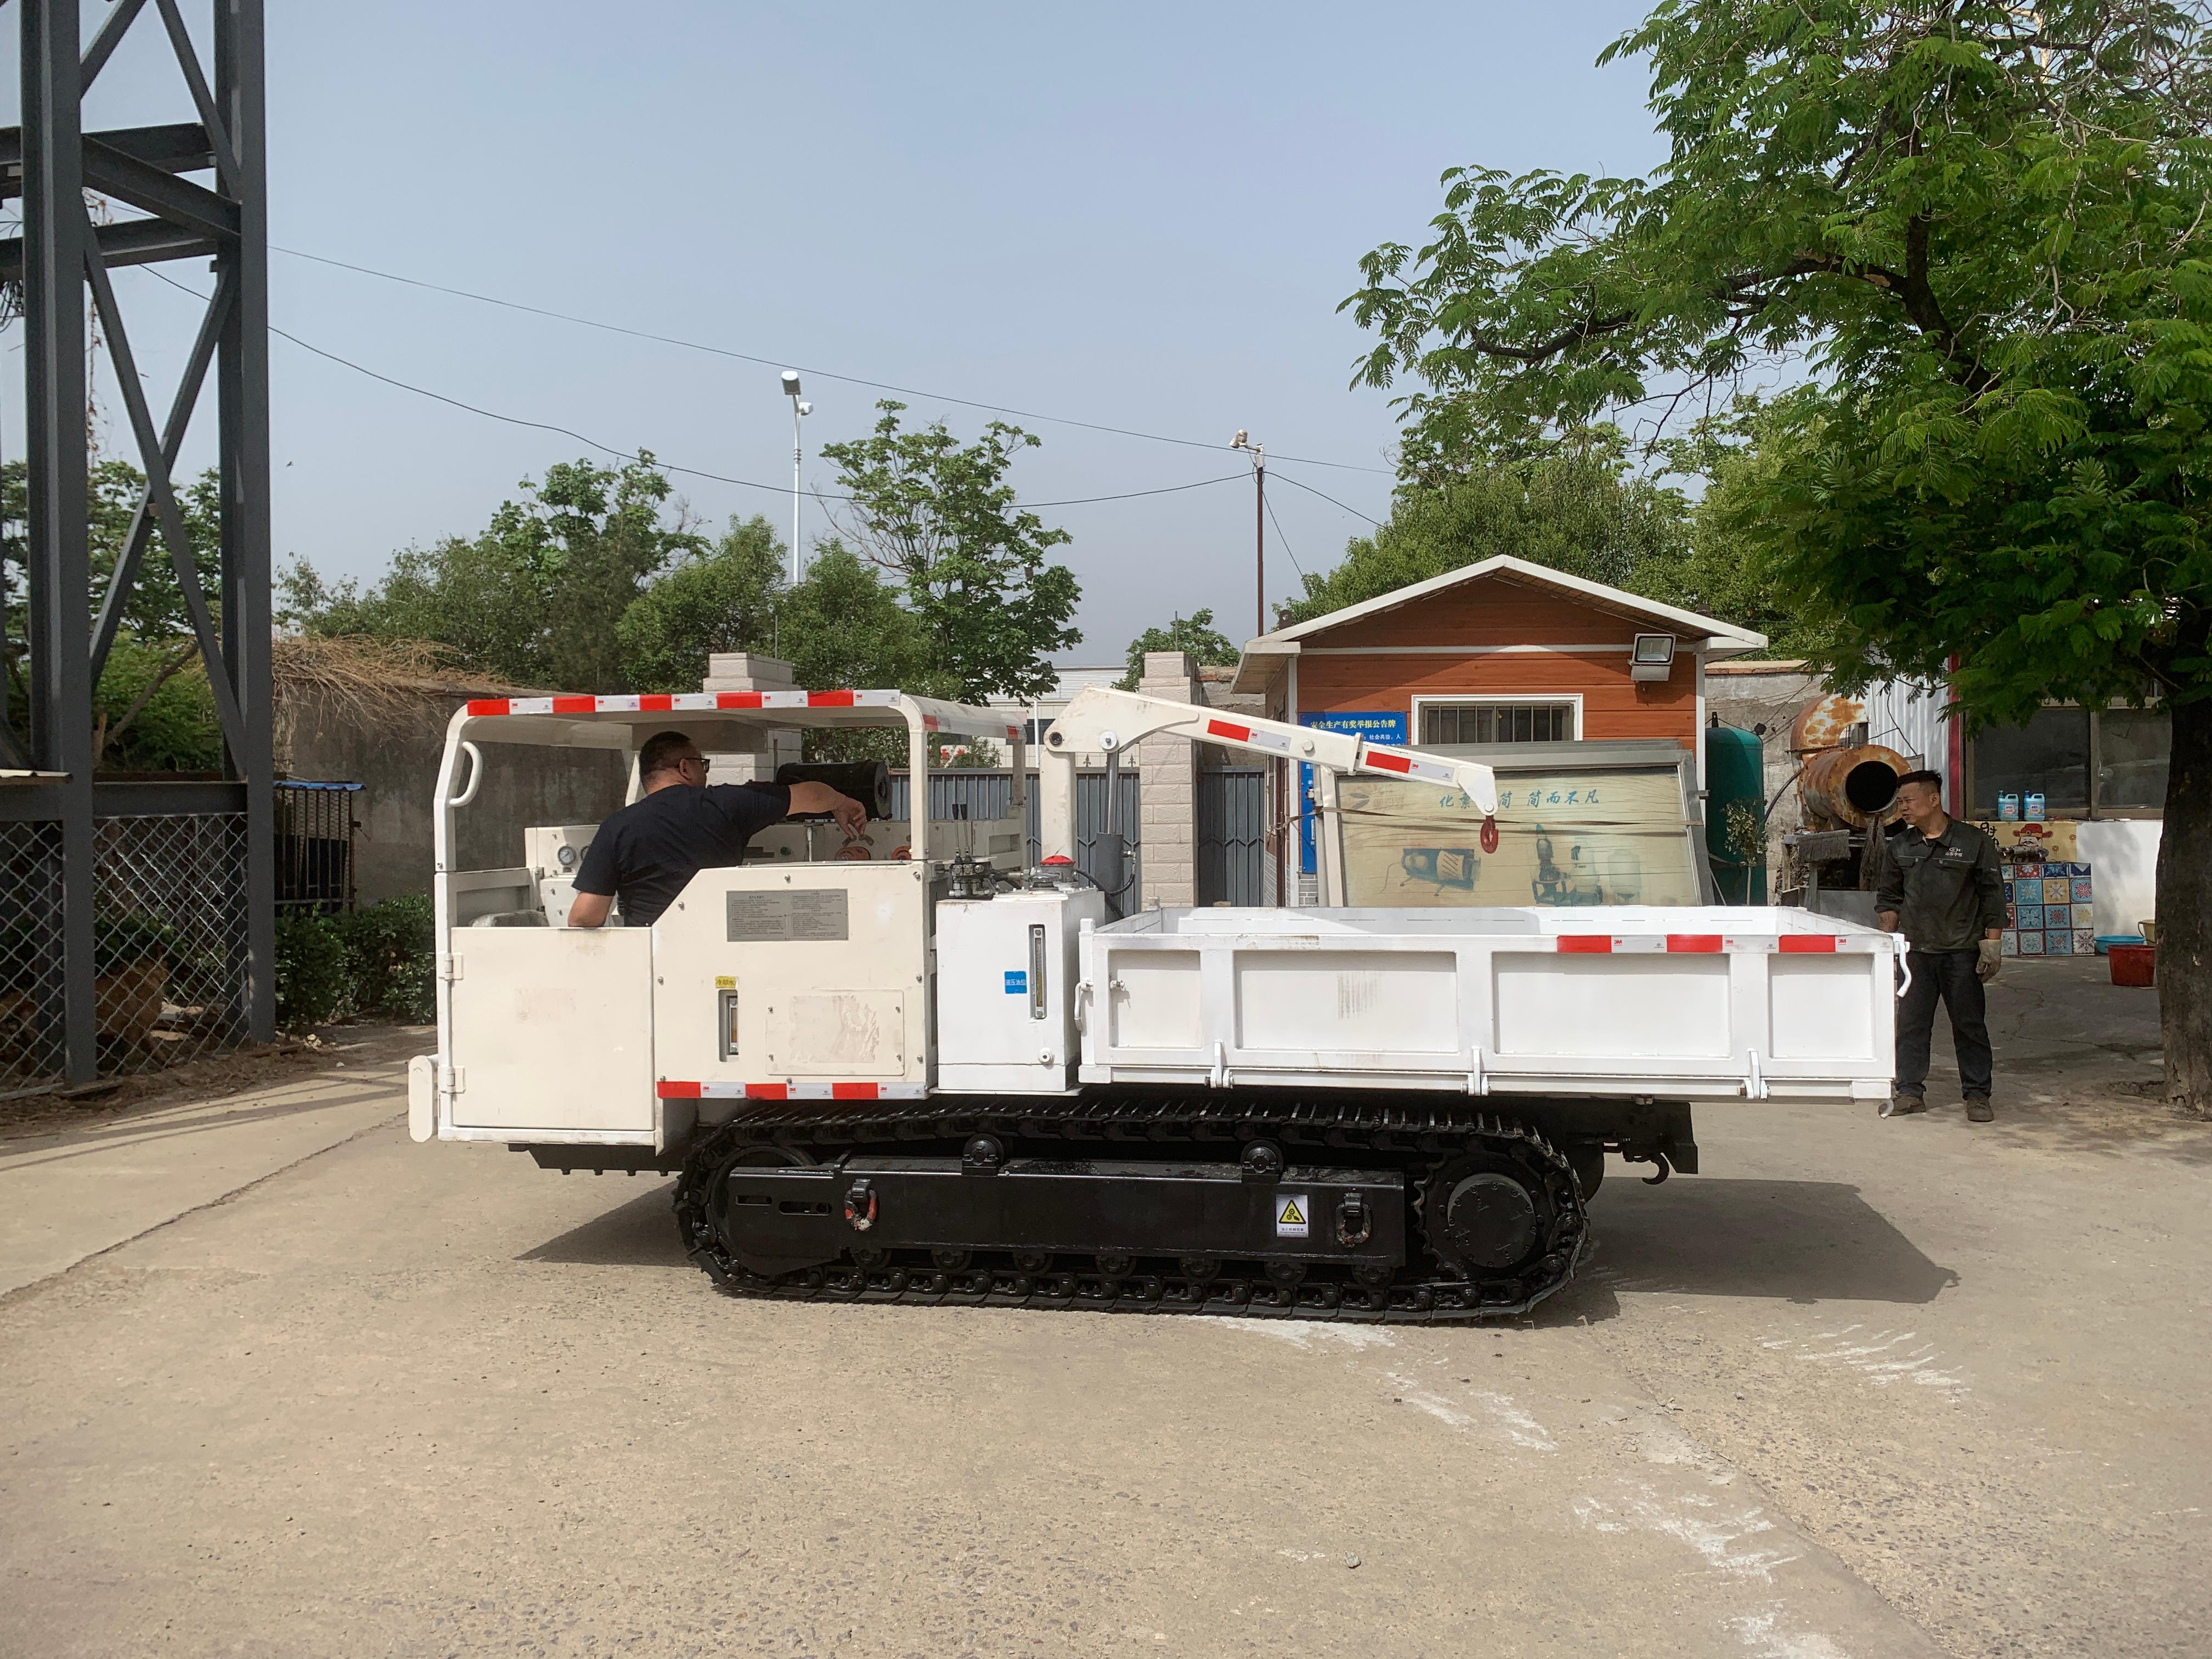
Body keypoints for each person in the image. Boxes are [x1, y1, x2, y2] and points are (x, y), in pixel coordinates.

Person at [568, 730, 867, 929]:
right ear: (685, 768)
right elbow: (812, 795)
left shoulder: (617, 826)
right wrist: (844, 804)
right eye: (703, 764)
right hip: (719, 946)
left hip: (653, 959)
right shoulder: (728, 804)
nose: (705, 772)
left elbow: (585, 916)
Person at [1872, 768, 2006, 1122]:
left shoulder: (1973, 842)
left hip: (1962, 952)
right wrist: (1889, 945)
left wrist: (1993, 945)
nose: (1903, 808)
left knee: (1969, 1026)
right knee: (1911, 1026)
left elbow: (1992, 897)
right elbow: (1889, 899)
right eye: (1900, 802)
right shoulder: (1901, 846)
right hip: (1915, 954)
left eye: (1909, 801)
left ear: (1934, 799)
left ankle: (1977, 1095)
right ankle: (1910, 1092)